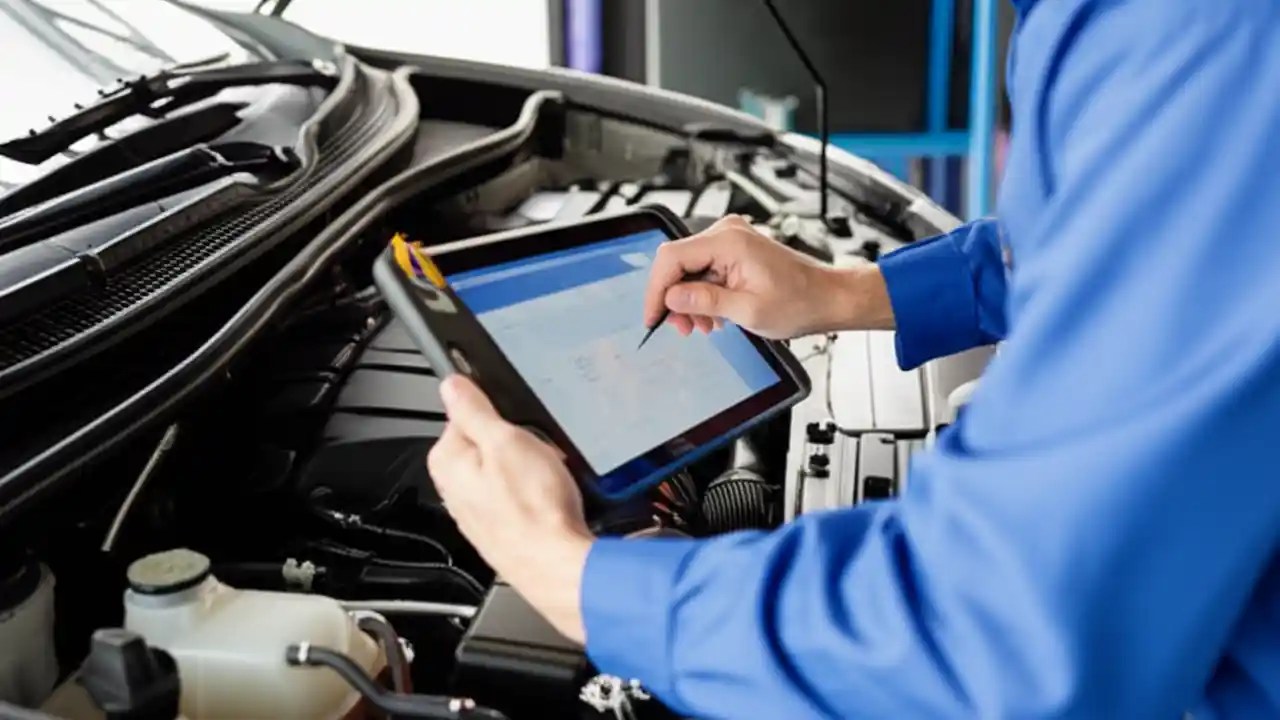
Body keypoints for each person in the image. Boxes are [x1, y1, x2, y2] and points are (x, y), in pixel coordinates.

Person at [426, 0, 1280, 716]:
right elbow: (1117, 250)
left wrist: (565, 572)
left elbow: (994, 643)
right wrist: (850, 295)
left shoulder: (1199, 33)